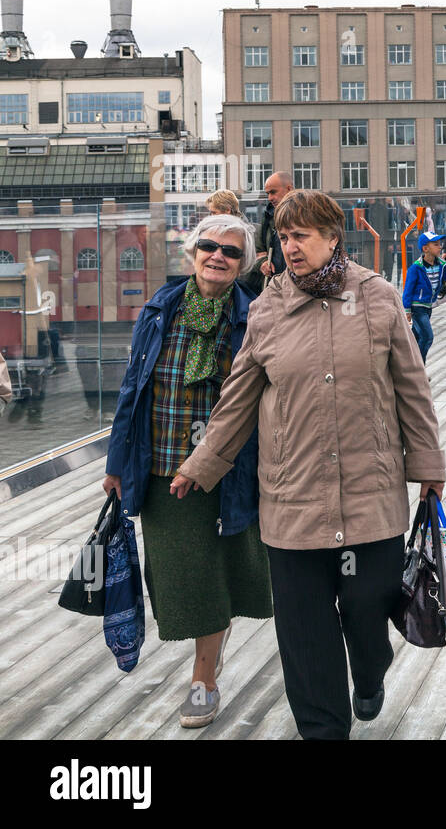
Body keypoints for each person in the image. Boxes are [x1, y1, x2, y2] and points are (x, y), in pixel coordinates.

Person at [171, 192, 445, 740]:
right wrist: (202, 465)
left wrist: (428, 465)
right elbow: (238, 398)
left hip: (371, 495)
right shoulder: (268, 309)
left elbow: (411, 387)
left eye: (301, 236)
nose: (289, 246)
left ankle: (370, 673)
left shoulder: (377, 297)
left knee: (368, 609)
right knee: (305, 633)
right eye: (283, 236)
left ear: (332, 238)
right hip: (292, 500)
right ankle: (324, 729)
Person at [103, 213, 272, 729]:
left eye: (231, 251)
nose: (217, 256)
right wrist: (115, 462)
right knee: (181, 576)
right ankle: (207, 659)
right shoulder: (159, 309)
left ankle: (203, 678)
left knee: (217, 573)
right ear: (192, 253)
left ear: (244, 264)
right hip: (159, 466)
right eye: (208, 246)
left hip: (229, 470)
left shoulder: (256, 316)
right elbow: (133, 387)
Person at [402, 232, 446, 361]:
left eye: (440, 244)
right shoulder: (415, 268)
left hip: (428, 307)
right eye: (436, 245)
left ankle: (408, 365)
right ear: (425, 249)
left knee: (416, 338)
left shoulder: (441, 265)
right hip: (417, 307)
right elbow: (407, 290)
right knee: (427, 337)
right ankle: (419, 370)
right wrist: (407, 309)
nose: (440, 247)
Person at [246, 171, 292, 294]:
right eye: (267, 193)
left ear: (289, 189)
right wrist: (262, 263)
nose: (269, 198)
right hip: (274, 287)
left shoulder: (307, 215)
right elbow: (259, 251)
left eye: (273, 192)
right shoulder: (268, 217)